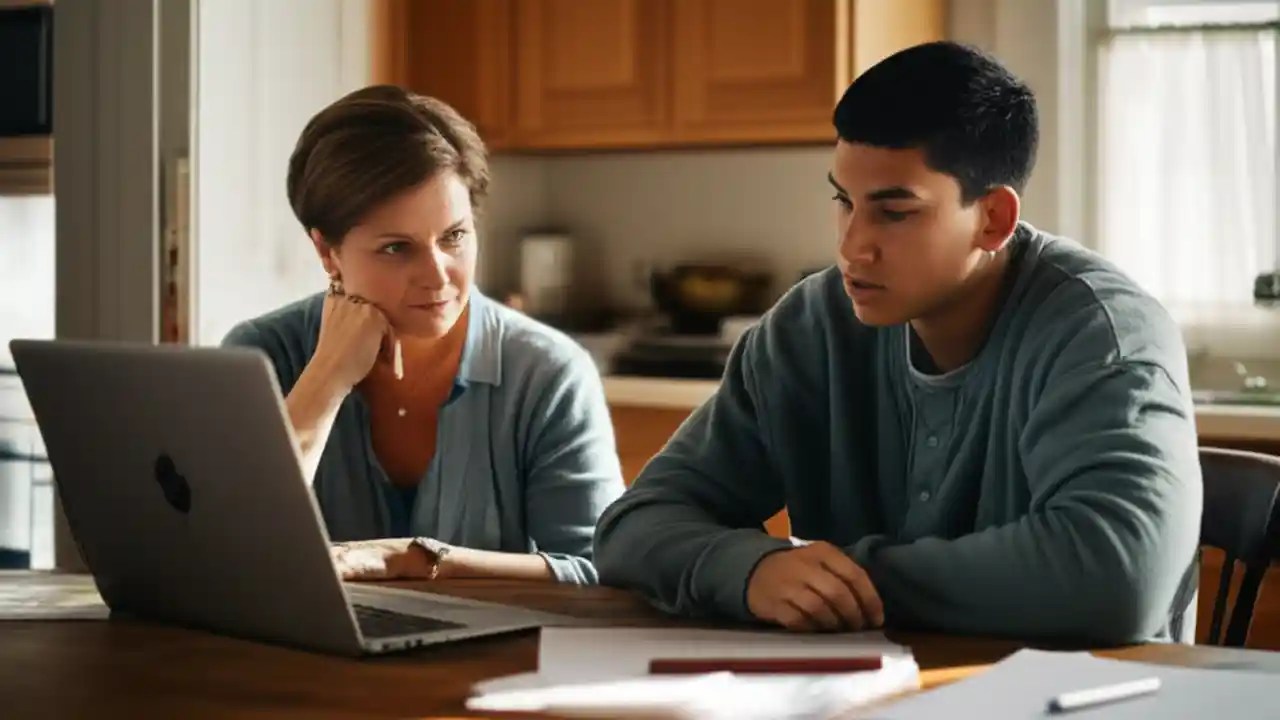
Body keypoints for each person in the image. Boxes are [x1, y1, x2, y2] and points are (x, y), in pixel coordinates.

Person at [593, 42, 1202, 643]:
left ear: (993, 219)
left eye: (895, 211)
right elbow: (632, 527)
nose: (853, 246)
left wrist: (847, 579)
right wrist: (750, 569)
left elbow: (1120, 576)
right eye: (843, 201)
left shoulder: (1102, 333)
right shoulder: (809, 328)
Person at [223, 85, 624, 585]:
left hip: (492, 663)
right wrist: (326, 380)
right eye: (396, 248)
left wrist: (415, 560)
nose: (438, 275)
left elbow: (600, 573)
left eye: (454, 236)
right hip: (308, 662)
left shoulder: (547, 373)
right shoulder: (261, 357)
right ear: (327, 253)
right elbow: (227, 557)